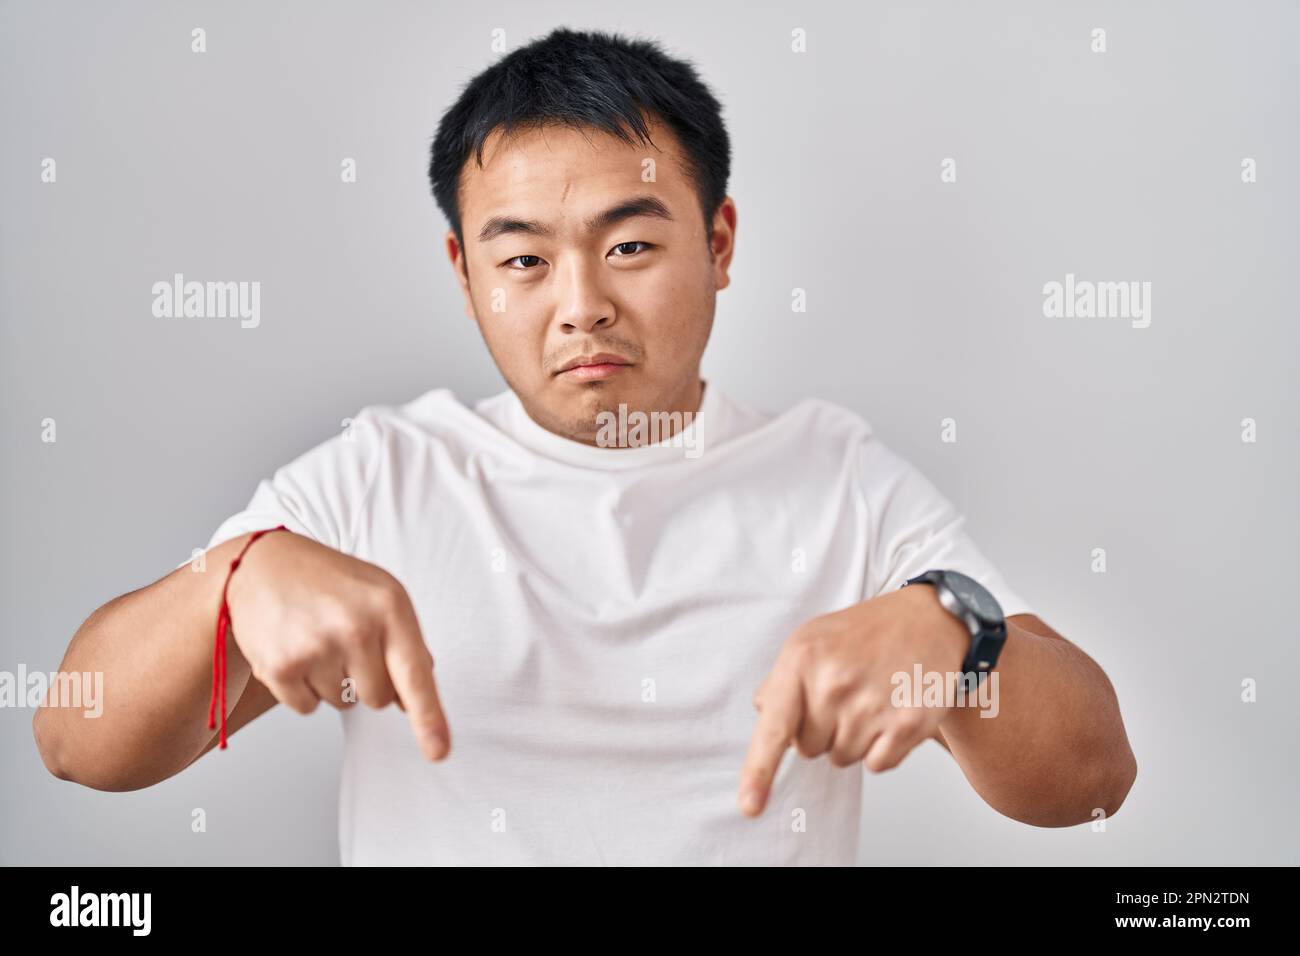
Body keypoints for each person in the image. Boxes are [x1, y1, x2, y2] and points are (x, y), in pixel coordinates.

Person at [34, 27, 1136, 865]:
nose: (582, 305)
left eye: (631, 242)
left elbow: (1090, 781)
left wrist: (957, 629)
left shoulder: (836, 478)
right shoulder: (381, 475)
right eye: (522, 260)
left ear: (718, 243)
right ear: (464, 277)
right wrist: (234, 578)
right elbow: (78, 742)